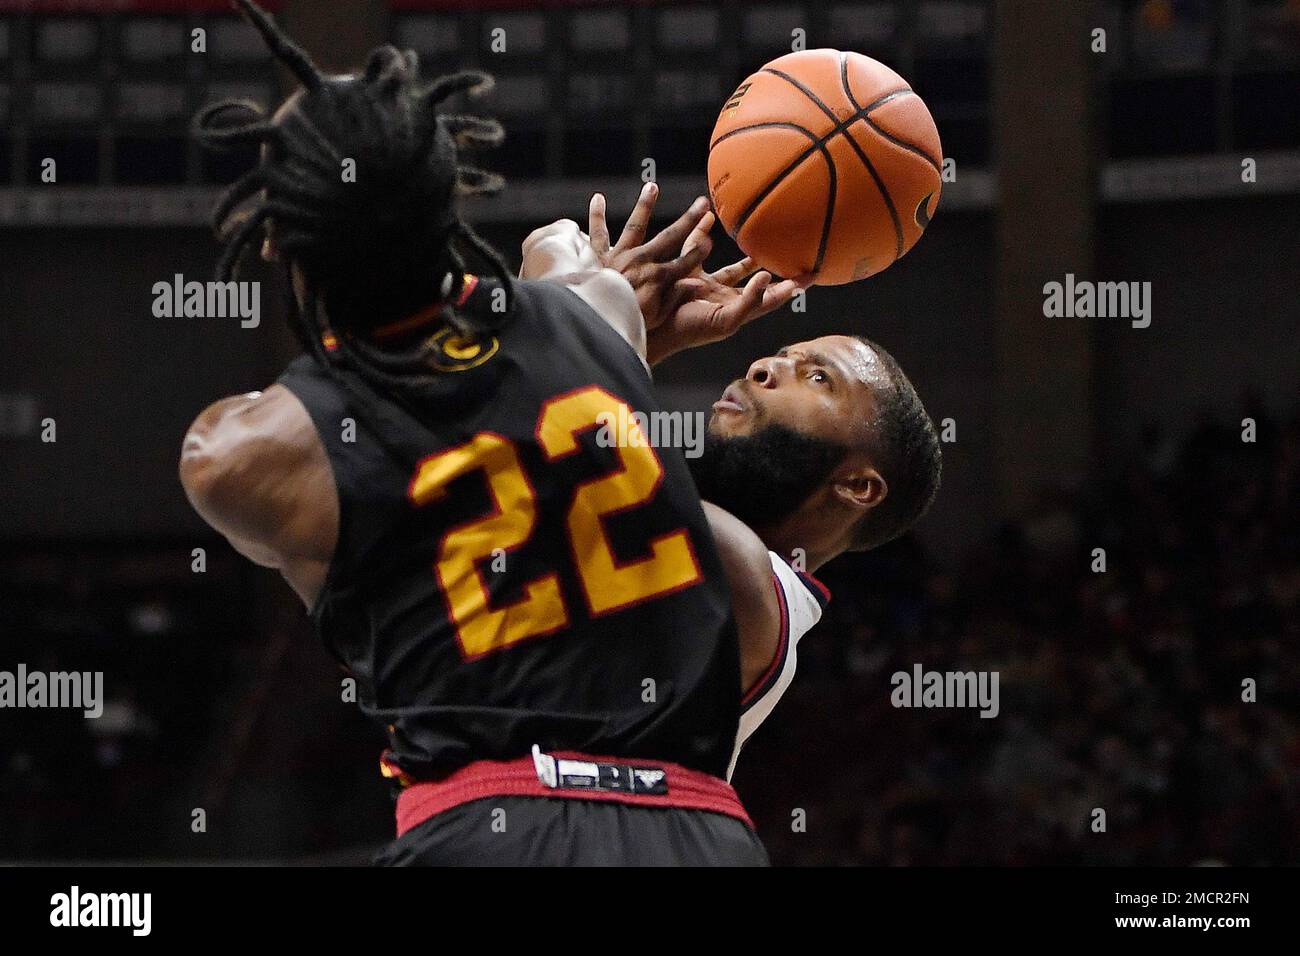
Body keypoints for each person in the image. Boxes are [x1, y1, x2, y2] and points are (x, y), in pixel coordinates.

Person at [179, 1, 797, 866]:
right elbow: (557, 270)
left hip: (494, 825)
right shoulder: (599, 312)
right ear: (451, 191)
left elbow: (231, 449)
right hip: (704, 830)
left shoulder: (259, 451)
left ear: (279, 237)